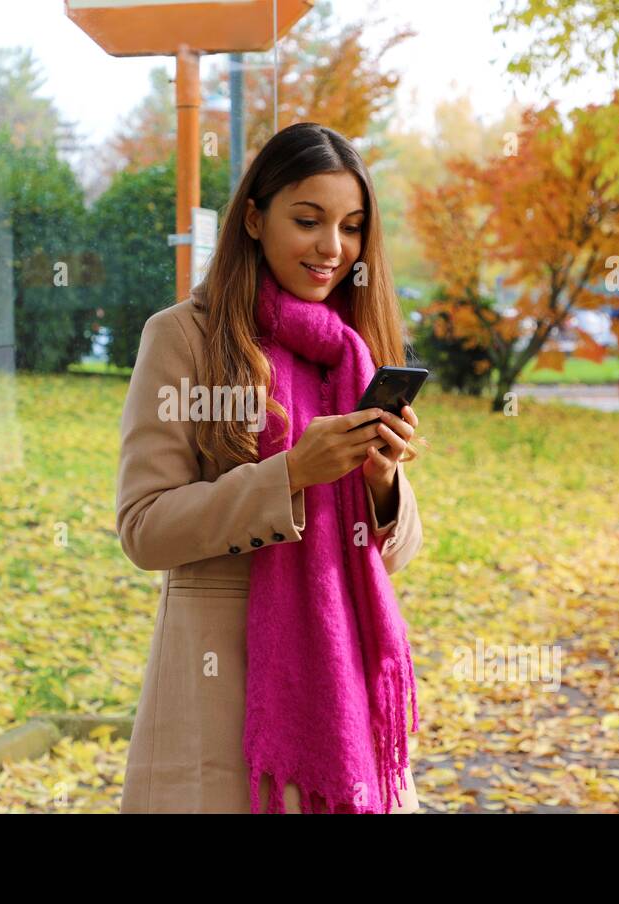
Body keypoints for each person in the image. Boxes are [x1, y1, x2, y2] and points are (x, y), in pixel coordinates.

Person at [115, 122, 427, 814]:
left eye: (351, 227)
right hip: (218, 687)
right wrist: (289, 475)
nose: (332, 248)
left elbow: (396, 554)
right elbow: (143, 528)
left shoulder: (354, 351)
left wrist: (381, 482)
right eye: (308, 220)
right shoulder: (181, 338)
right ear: (254, 218)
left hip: (340, 687)